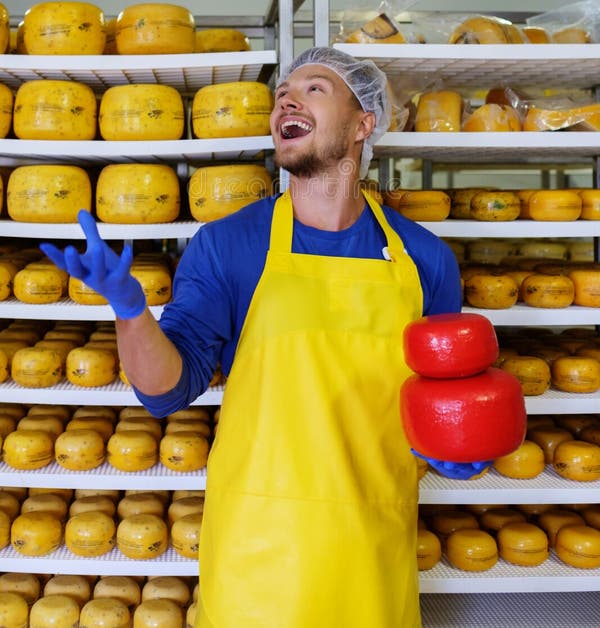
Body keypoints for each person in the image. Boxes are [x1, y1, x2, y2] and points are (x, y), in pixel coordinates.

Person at [42, 46, 473, 628]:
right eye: (282, 93)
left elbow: (445, 402)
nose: (287, 99)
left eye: (314, 88)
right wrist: (129, 311)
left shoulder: (424, 258)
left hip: (371, 541)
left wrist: (458, 447)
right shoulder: (227, 245)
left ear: (364, 123)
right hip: (257, 549)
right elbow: (166, 391)